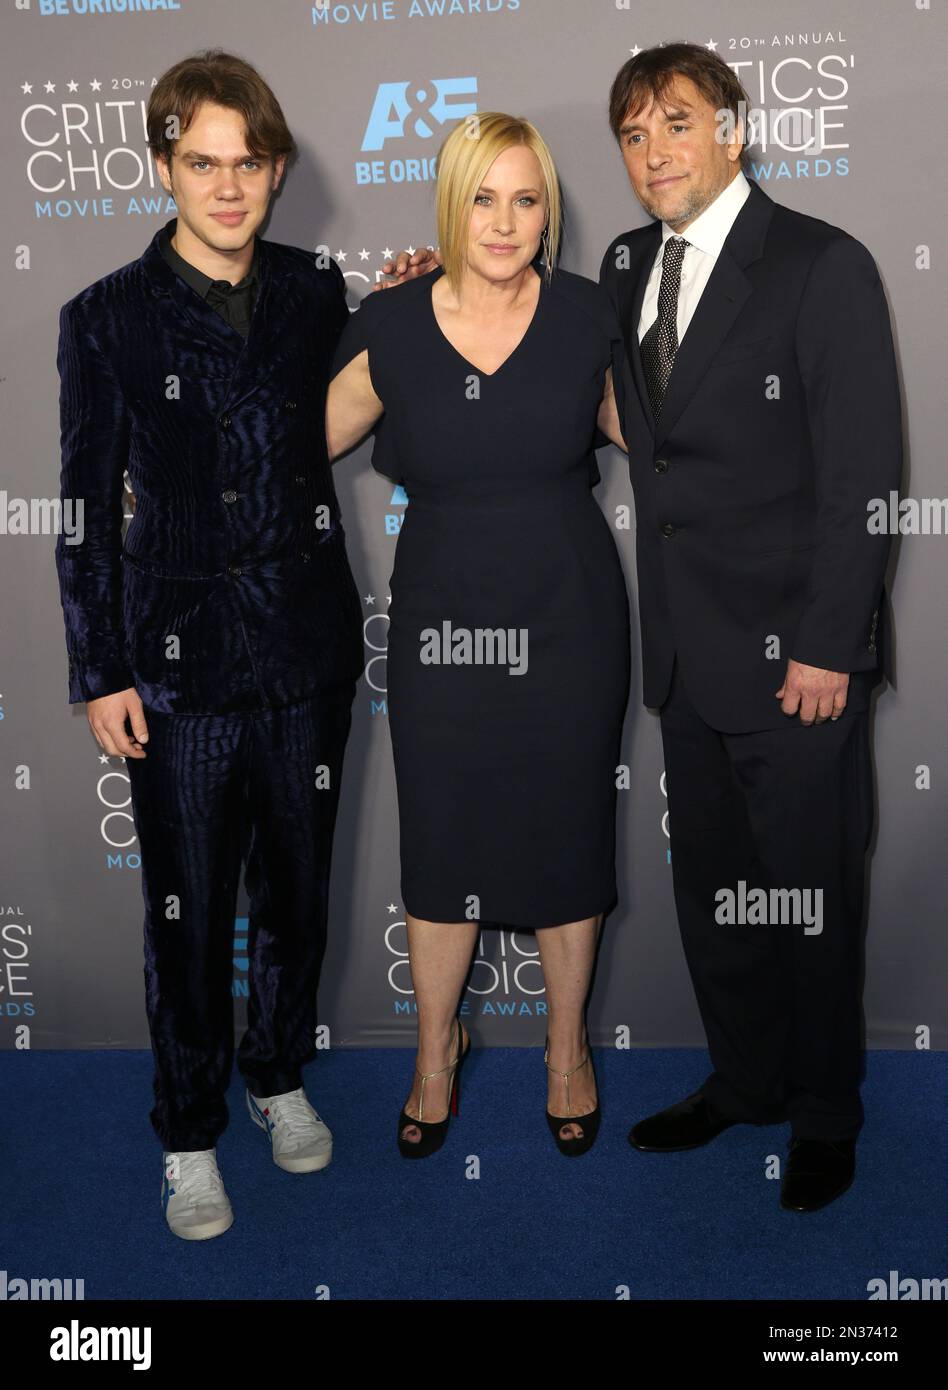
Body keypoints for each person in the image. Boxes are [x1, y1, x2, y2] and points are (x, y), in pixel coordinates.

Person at [388, 44, 902, 1211]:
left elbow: (865, 473)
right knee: (719, 894)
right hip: (677, 649)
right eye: (632, 133)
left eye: (678, 122)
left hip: (795, 658)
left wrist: (831, 642)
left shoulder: (822, 264)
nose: (654, 150)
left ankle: (824, 1111)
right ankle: (747, 1081)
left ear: (733, 127)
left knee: (809, 897)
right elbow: (541, 347)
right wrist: (426, 280)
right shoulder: (621, 266)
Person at [55, 49, 363, 1240]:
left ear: (276, 172)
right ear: (164, 166)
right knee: (184, 911)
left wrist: (420, 293)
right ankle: (189, 1131)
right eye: (203, 163)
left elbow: (375, 386)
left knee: (295, 893)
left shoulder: (313, 290)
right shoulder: (105, 318)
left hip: (305, 652)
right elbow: (84, 507)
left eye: (249, 164)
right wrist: (100, 669)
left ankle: (277, 1075)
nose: (227, 187)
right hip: (174, 666)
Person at [327, 113, 631, 1158]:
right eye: (484, 198)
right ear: (451, 204)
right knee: (443, 834)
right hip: (441, 627)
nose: (505, 222)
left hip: (570, 617)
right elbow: (288, 440)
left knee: (568, 825)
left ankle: (566, 1051)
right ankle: (432, 1052)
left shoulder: (593, 316)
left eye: (527, 198)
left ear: (550, 209)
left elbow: (676, 438)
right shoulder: (394, 320)